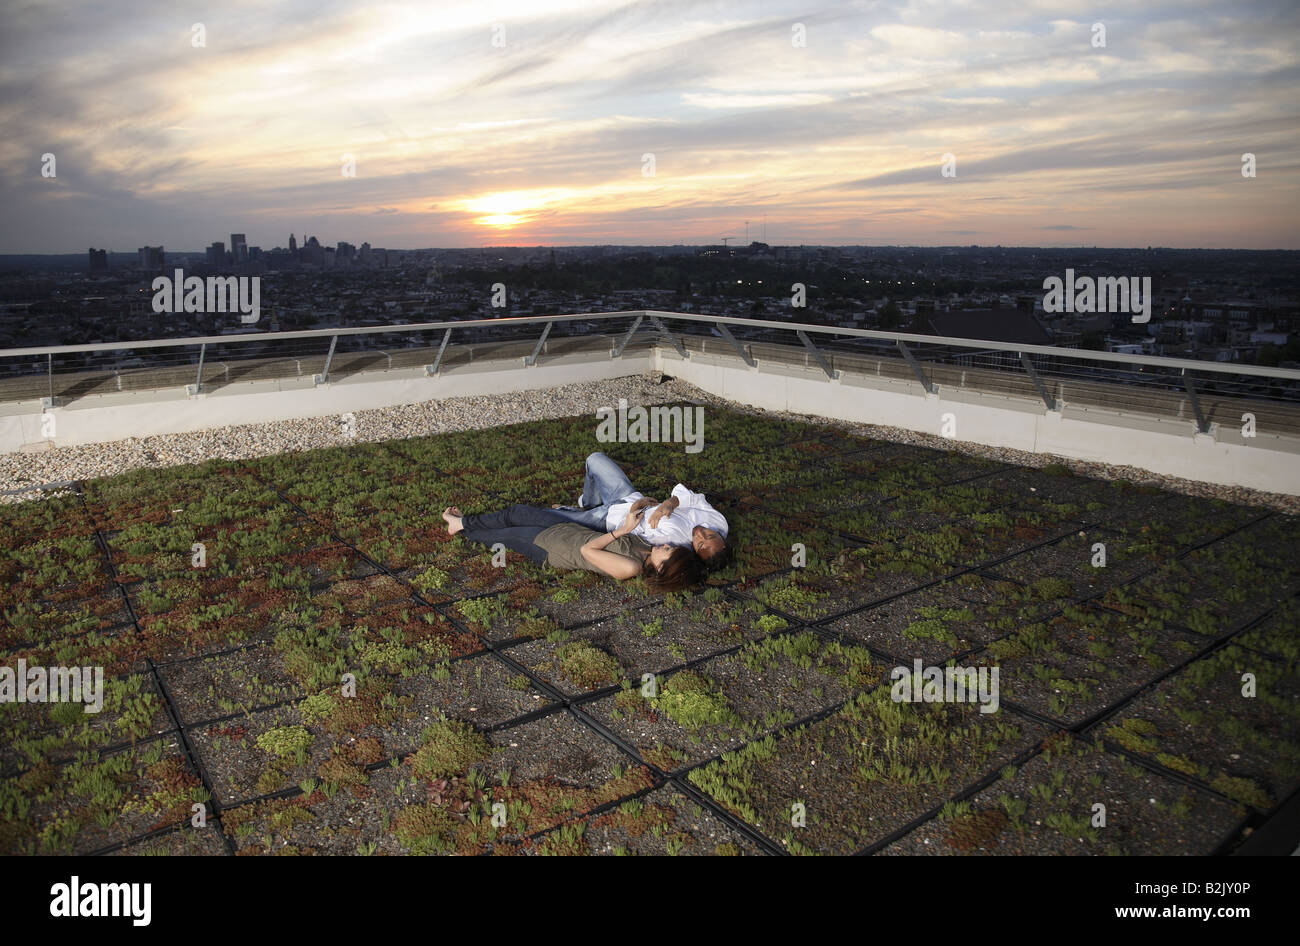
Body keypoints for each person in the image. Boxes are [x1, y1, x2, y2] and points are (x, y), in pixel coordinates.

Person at [441, 503, 704, 594]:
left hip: (551, 548)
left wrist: (623, 530)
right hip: (568, 530)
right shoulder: (648, 547)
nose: (667, 545)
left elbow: (588, 552)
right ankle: (464, 522)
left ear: (661, 567)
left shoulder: (630, 567)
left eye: (668, 551)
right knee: (516, 512)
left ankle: (461, 527)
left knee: (504, 536)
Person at [549, 452, 732, 572]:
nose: (700, 534)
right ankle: (589, 504)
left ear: (695, 552)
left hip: (610, 518)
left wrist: (633, 510)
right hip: (629, 496)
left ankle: (584, 512)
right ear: (723, 540)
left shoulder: (675, 542)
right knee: (594, 459)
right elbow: (695, 498)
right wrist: (670, 502)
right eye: (709, 536)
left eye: (699, 544)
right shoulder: (719, 522)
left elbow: (635, 534)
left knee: (554, 518)